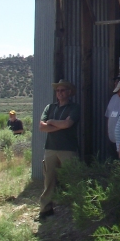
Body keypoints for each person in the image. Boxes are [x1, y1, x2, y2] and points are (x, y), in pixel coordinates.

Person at [38, 79, 80, 218]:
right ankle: (45, 209)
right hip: (50, 149)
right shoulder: (49, 107)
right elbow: (41, 127)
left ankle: (77, 208)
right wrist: (59, 125)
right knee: (48, 179)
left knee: (72, 178)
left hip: (68, 149)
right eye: (58, 90)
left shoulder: (74, 108)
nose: (60, 93)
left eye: (62, 90)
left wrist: (51, 122)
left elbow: (68, 124)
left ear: (69, 92)